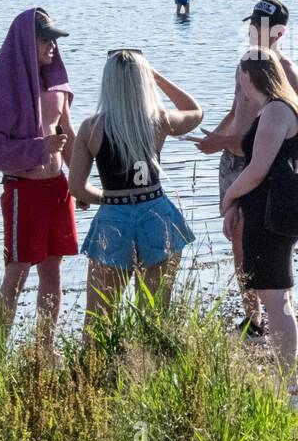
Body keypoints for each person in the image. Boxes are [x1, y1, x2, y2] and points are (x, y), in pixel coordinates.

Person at [0, 9, 79, 359]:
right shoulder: (5, 86)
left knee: (53, 269)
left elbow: (68, 133)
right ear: (24, 42)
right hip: (23, 189)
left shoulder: (58, 86)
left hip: (58, 188)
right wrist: (36, 148)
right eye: (45, 39)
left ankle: (46, 348)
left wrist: (79, 180)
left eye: (54, 40)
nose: (52, 46)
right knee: (17, 271)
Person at [68, 51, 203, 340]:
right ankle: (150, 373)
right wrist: (156, 76)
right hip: (157, 215)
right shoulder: (159, 119)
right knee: (154, 315)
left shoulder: (91, 128)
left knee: (98, 320)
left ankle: (96, 378)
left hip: (113, 220)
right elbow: (195, 111)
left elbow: (77, 188)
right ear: (144, 81)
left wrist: (108, 199)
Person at [194, 0, 298, 336]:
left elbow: (281, 136)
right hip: (232, 159)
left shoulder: (285, 72)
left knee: (257, 235)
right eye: (252, 24)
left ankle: (273, 307)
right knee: (236, 238)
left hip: (259, 164)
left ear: (279, 32)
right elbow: (236, 108)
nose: (253, 30)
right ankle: (251, 315)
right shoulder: (246, 64)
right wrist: (217, 136)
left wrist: (224, 143)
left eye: (261, 26)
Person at [221, 49, 298, 408]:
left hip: (271, 217)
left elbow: (257, 169)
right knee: (279, 297)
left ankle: (291, 389)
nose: (237, 84)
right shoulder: (278, 109)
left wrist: (229, 197)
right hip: (269, 213)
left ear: (249, 76)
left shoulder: (277, 111)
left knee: (276, 301)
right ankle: (288, 383)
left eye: (238, 77)